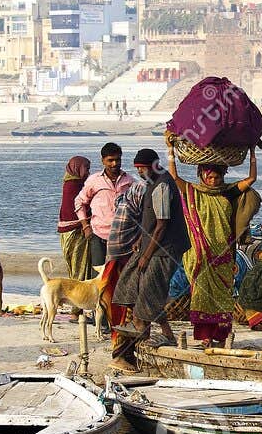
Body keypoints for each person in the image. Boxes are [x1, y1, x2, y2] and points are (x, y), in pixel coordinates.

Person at [168, 143, 260, 346]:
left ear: (222, 177)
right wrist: (170, 151)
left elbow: (251, 179)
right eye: (209, 177)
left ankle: (220, 336)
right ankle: (204, 337)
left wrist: (252, 152)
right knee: (201, 294)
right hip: (200, 253)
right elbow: (174, 178)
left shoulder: (228, 192)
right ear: (202, 176)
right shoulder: (193, 192)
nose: (213, 181)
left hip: (224, 253)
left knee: (222, 294)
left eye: (216, 177)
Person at [112, 148, 192, 360]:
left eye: (142, 168)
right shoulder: (153, 183)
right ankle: (164, 333)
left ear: (153, 166)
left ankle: (138, 337)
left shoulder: (163, 186)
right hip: (153, 244)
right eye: (137, 169)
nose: (139, 173)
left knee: (149, 291)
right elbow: (152, 222)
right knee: (131, 282)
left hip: (165, 249)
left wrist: (147, 255)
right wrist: (141, 239)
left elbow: (162, 225)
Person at [103, 148, 158, 358]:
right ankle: (125, 349)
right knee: (130, 299)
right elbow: (152, 222)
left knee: (122, 298)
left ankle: (122, 344)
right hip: (122, 250)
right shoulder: (146, 188)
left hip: (117, 247)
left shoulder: (134, 187)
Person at [76, 142, 132, 279]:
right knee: (99, 276)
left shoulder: (130, 181)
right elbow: (79, 202)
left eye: (117, 160)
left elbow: (137, 207)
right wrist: (85, 226)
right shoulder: (94, 181)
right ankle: (99, 301)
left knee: (120, 275)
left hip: (122, 237)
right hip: (99, 235)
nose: (114, 164)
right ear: (103, 161)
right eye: (110, 160)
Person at [57, 155, 92, 278]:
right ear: (78, 168)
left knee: (73, 265)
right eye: (86, 169)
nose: (88, 172)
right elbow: (78, 209)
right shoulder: (74, 185)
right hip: (75, 231)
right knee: (79, 265)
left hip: (66, 230)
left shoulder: (69, 183)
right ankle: (78, 291)